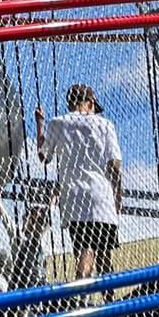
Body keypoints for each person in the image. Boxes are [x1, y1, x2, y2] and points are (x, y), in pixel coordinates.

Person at [35, 84, 123, 281]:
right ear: (90, 102)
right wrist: (118, 195)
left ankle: (84, 296)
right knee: (102, 254)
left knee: (85, 249)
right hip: (102, 197)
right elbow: (114, 164)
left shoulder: (58, 123)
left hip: (74, 197)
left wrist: (40, 123)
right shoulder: (105, 125)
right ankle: (103, 301)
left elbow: (43, 156)